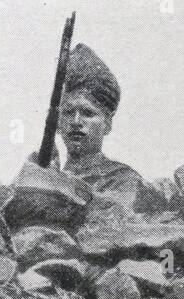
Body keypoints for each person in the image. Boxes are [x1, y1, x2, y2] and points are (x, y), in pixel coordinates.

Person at [54, 44, 147, 211]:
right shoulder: (48, 177)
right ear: (57, 124)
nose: (76, 121)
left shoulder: (124, 180)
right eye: (68, 112)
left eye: (88, 113)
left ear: (107, 125)